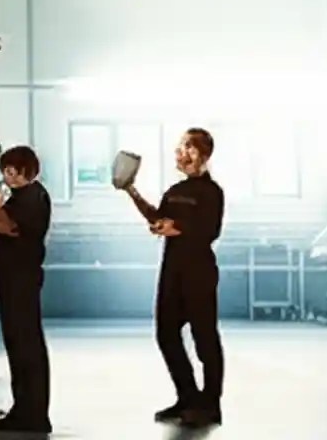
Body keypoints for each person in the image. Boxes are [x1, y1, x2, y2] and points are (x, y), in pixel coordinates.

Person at [123, 128, 225, 428]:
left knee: (204, 338)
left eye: (189, 147)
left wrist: (176, 225)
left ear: (204, 154)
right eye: (181, 147)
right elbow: (157, 218)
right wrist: (131, 190)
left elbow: (210, 230)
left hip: (200, 272)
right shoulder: (174, 191)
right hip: (172, 271)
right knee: (165, 334)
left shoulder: (212, 192)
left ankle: (211, 404)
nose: (182, 153)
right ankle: (188, 397)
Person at [0, 145, 53, 435]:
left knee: (27, 345)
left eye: (15, 170)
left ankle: (35, 414)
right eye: (6, 170)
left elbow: (9, 227)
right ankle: (22, 409)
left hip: (22, 280)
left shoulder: (33, 197)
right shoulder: (18, 197)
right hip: (12, 279)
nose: (10, 175)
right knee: (16, 344)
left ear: (30, 170)